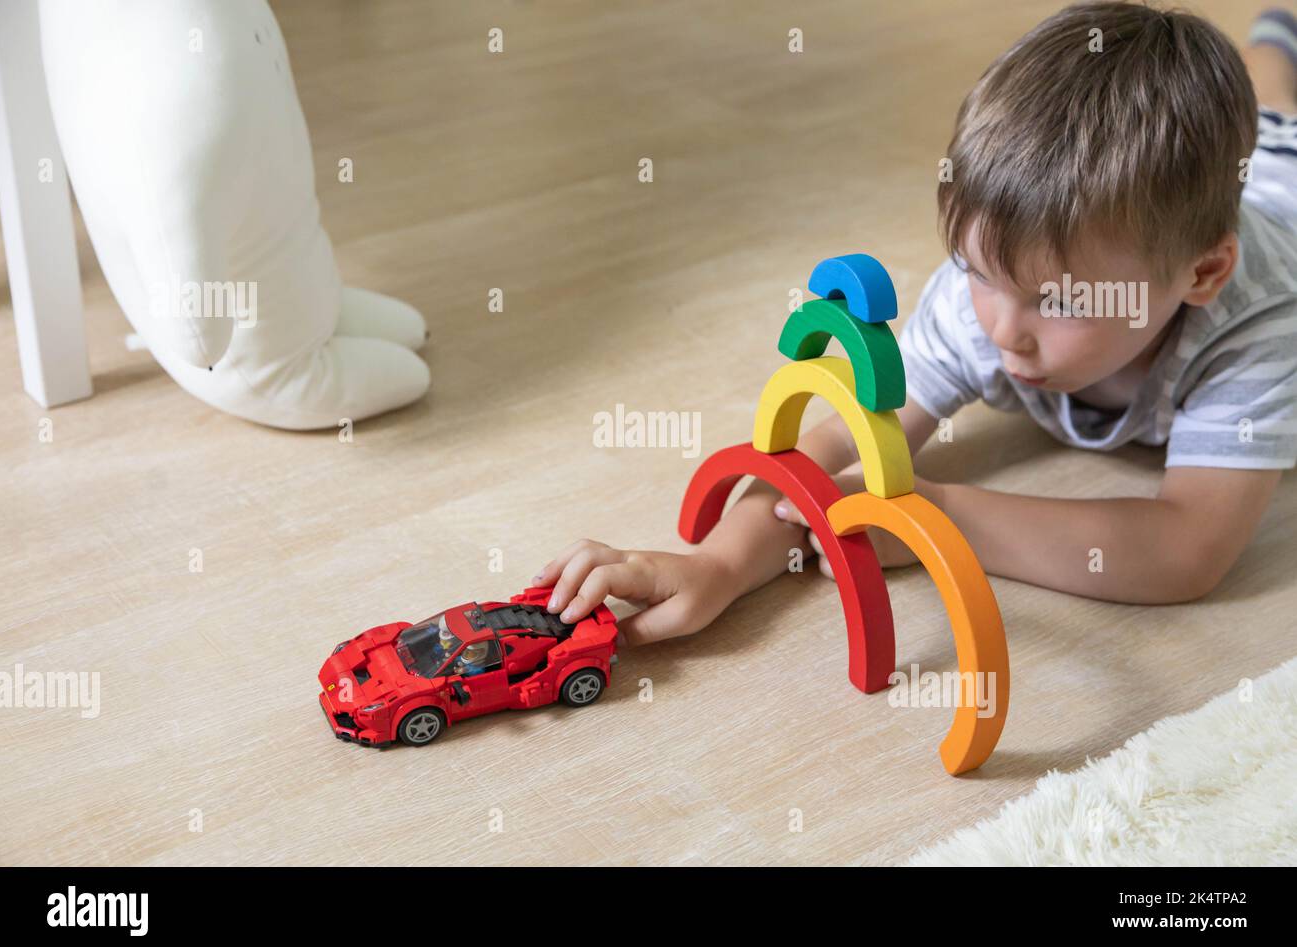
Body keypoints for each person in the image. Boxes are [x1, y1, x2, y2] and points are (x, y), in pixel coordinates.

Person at [533, 3, 1297, 645]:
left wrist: (940, 513)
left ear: (1201, 275)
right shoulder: (982, 301)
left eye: (1060, 303)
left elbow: (1186, 550)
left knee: (1276, 133)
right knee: (1262, 113)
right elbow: (835, 450)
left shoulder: (1258, 332)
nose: (1003, 329)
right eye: (978, 273)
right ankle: (1274, 41)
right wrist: (720, 566)